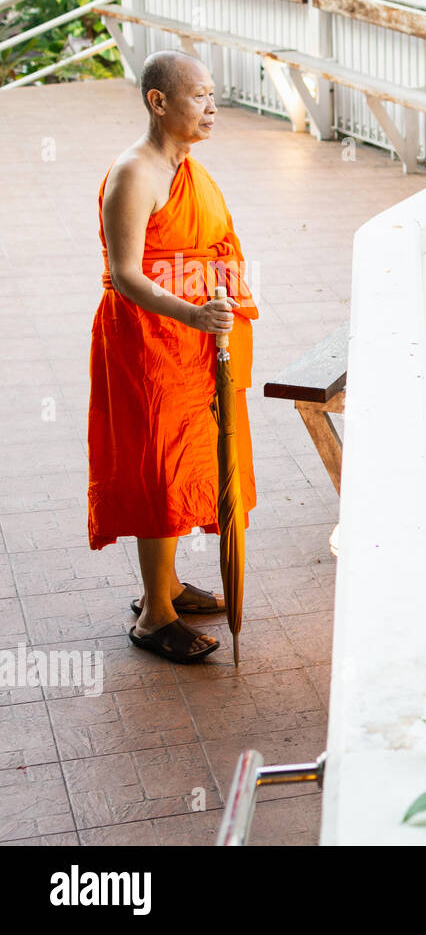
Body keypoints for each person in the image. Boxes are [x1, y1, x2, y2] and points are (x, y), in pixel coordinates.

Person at [88, 50, 259, 663]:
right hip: (147, 341)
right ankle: (153, 616)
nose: (213, 108)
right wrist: (191, 312)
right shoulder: (136, 172)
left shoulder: (187, 165)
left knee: (191, 460)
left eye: (215, 95)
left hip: (194, 341)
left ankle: (168, 586)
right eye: (199, 97)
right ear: (159, 102)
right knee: (158, 467)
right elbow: (125, 274)